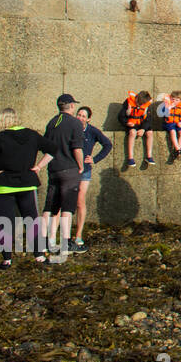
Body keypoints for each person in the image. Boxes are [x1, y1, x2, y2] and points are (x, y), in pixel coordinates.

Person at [0, 109, 54, 268]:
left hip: (4, 185)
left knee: (5, 223)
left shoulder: (1, 137)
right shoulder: (32, 135)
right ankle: (39, 256)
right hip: (27, 183)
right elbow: (53, 149)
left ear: (2, 121)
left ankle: (7, 260)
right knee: (32, 220)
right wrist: (39, 166)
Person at [41, 93, 85, 259]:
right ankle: (66, 242)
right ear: (72, 106)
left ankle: (44, 241)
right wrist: (80, 165)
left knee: (50, 206)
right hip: (69, 169)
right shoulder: (75, 123)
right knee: (67, 207)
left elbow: (46, 146)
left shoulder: (52, 122)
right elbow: (77, 148)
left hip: (53, 169)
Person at [72, 106, 112, 253]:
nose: (80, 118)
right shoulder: (71, 128)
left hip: (85, 171)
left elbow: (107, 145)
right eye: (79, 115)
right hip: (70, 169)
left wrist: (94, 159)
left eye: (83, 116)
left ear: (88, 119)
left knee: (79, 200)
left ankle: (78, 235)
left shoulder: (92, 131)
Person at [120, 89, 153, 168]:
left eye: (141, 104)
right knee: (133, 132)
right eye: (138, 102)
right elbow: (120, 116)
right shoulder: (128, 102)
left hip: (142, 124)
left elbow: (149, 119)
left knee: (150, 133)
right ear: (136, 97)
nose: (139, 105)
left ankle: (149, 156)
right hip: (132, 124)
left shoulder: (147, 105)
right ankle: (130, 158)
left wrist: (143, 129)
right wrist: (126, 123)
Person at [157, 90, 181, 160]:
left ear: (180, 101)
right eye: (173, 99)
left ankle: (178, 149)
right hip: (169, 124)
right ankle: (178, 149)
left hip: (178, 123)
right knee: (172, 132)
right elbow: (162, 115)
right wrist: (169, 108)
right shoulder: (167, 105)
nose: (174, 101)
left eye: (177, 100)